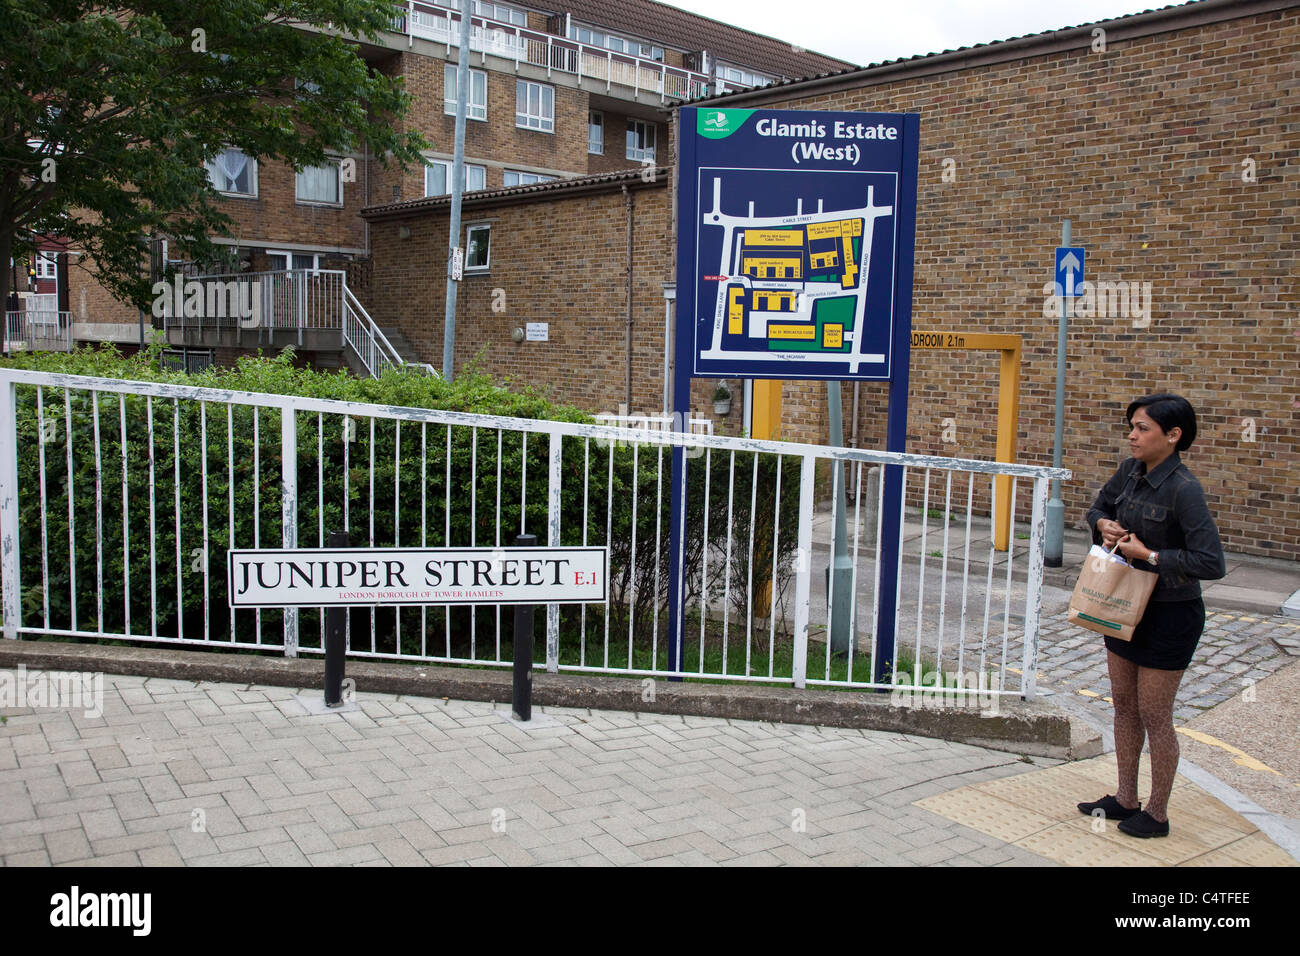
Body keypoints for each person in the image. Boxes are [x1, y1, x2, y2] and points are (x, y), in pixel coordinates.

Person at [1075, 393, 1225, 838]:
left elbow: (1211, 562)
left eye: (1142, 428)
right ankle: (1125, 798)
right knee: (1124, 705)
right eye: (1132, 426)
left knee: (1155, 713)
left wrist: (1152, 555)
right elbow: (1098, 507)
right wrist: (1102, 525)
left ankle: (1157, 813)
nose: (1132, 435)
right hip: (1122, 605)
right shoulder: (1130, 471)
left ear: (1173, 436)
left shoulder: (1185, 489)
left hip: (1170, 614)